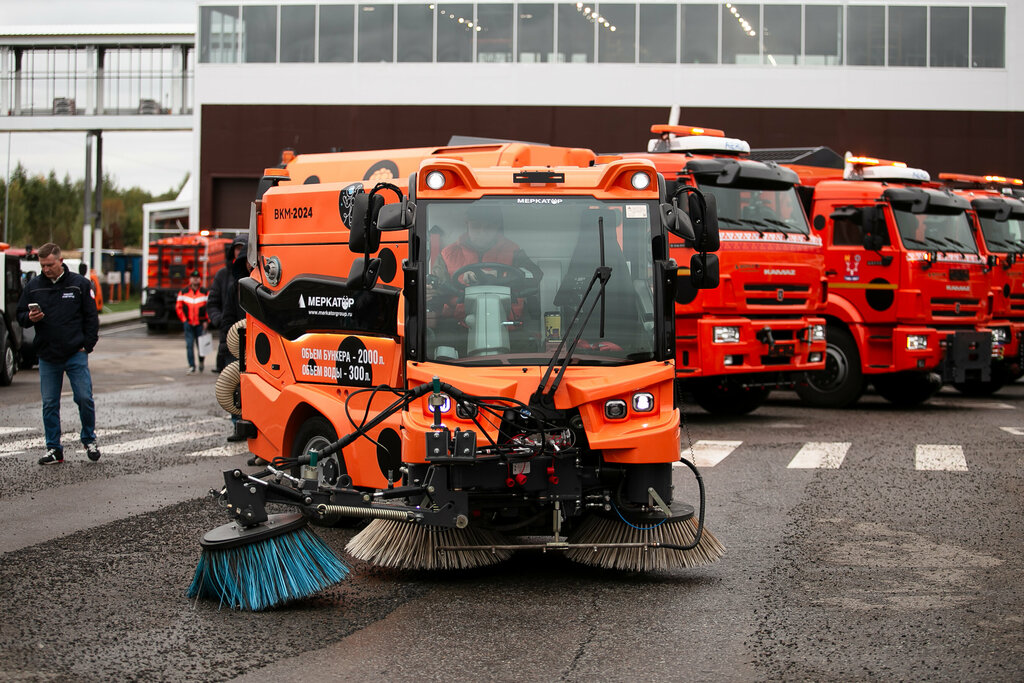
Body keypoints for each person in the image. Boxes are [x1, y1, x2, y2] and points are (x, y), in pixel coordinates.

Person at [16, 243, 100, 465]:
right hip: (47, 355)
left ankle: (89, 439)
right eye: (42, 265)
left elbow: (91, 317)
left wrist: (87, 345)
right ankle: (54, 448)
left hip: (75, 353)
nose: (46, 269)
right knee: (50, 403)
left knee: (84, 397)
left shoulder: (80, 285)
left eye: (50, 265)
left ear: (60, 261)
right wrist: (29, 318)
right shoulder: (33, 286)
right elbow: (20, 315)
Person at [207, 233, 251, 441]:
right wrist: (224, 330)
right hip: (234, 341)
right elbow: (218, 307)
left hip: (256, 343)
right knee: (234, 386)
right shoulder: (226, 278)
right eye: (236, 247)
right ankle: (237, 425)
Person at [207, 233, 249, 374]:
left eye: (242, 248)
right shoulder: (223, 276)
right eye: (237, 248)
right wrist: (220, 321)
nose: (239, 252)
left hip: (251, 340)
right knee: (230, 383)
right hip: (230, 339)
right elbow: (212, 303)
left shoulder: (258, 279)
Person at [176, 269, 209, 373]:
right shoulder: (183, 292)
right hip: (189, 323)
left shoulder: (205, 292)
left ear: (199, 279)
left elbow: (208, 307)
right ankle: (191, 366)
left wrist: (206, 321)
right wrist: (184, 320)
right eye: (193, 278)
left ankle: (201, 362)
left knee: (201, 346)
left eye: (197, 278)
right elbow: (179, 307)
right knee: (189, 345)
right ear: (190, 279)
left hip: (200, 323)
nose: (195, 280)